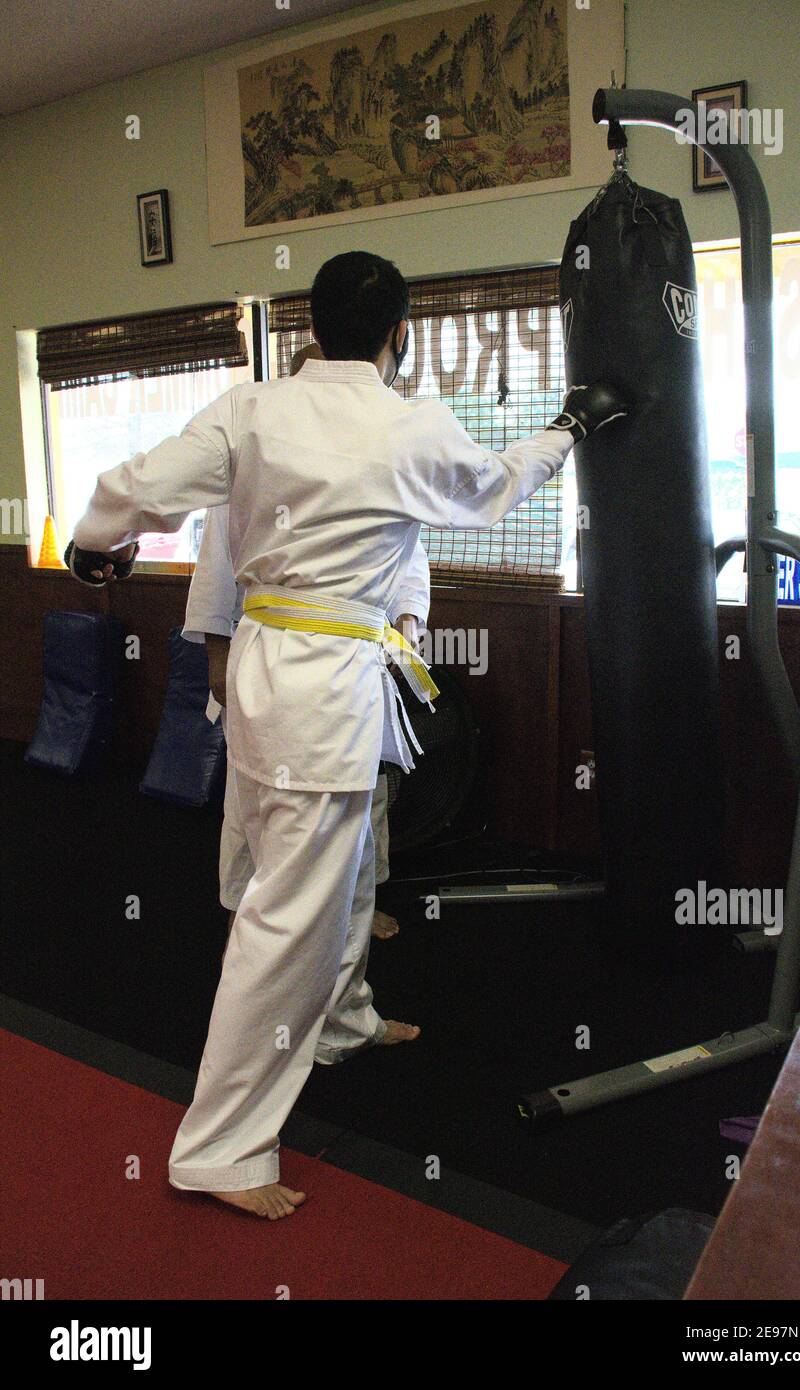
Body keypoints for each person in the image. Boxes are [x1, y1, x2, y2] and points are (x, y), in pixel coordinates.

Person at [65, 250, 627, 1220]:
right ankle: (219, 1149)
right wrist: (571, 425)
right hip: (320, 693)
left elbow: (137, 485)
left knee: (351, 859)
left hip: (275, 675)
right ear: (398, 333)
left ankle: (341, 1021)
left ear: (311, 326)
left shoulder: (254, 407)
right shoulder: (408, 422)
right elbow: (496, 487)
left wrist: (92, 545)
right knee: (286, 916)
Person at [186, 342, 429, 1059]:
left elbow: (409, 558)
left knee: (348, 875)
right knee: (262, 873)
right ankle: (269, 1020)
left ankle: (342, 1019)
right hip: (269, 696)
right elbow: (214, 586)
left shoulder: (378, 453)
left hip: (349, 687)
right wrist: (224, 681)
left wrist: (407, 628)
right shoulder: (255, 456)